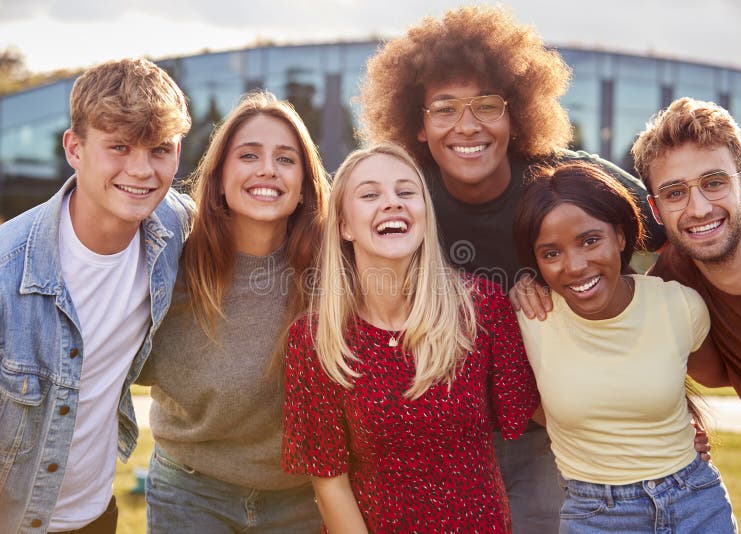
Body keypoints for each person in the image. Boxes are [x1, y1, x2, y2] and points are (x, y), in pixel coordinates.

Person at [357, 5, 666, 530]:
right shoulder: (406, 196)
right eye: (444, 108)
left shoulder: (565, 179)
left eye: (486, 104)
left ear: (517, 112)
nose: (467, 125)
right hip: (446, 437)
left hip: (548, 431)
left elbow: (677, 231)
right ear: (418, 123)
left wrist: (572, 287)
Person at [281, 143, 538, 533]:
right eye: (370, 195)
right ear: (344, 226)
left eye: (406, 192)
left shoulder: (481, 309)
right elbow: (329, 479)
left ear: (424, 213)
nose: (392, 203)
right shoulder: (316, 339)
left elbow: (541, 414)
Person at [0, 58, 192, 533]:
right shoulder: (7, 273)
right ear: (75, 148)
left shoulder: (174, 227)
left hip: (95, 517)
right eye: (119, 147)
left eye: (159, 150)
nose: (141, 170)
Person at [136, 91, 328, 533]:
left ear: (303, 187)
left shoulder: (331, 273)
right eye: (248, 155)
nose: (267, 169)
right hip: (189, 492)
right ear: (220, 177)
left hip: (298, 499)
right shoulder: (172, 261)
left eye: (285, 159)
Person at [513, 161, 737, 533]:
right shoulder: (529, 319)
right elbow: (525, 402)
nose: (576, 265)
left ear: (619, 237)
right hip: (595, 514)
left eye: (590, 240)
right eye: (551, 253)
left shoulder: (679, 305)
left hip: (695, 502)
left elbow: (711, 377)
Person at [631, 97, 741, 533]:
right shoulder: (673, 280)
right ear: (656, 210)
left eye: (713, 182)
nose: (699, 208)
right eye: (675, 193)